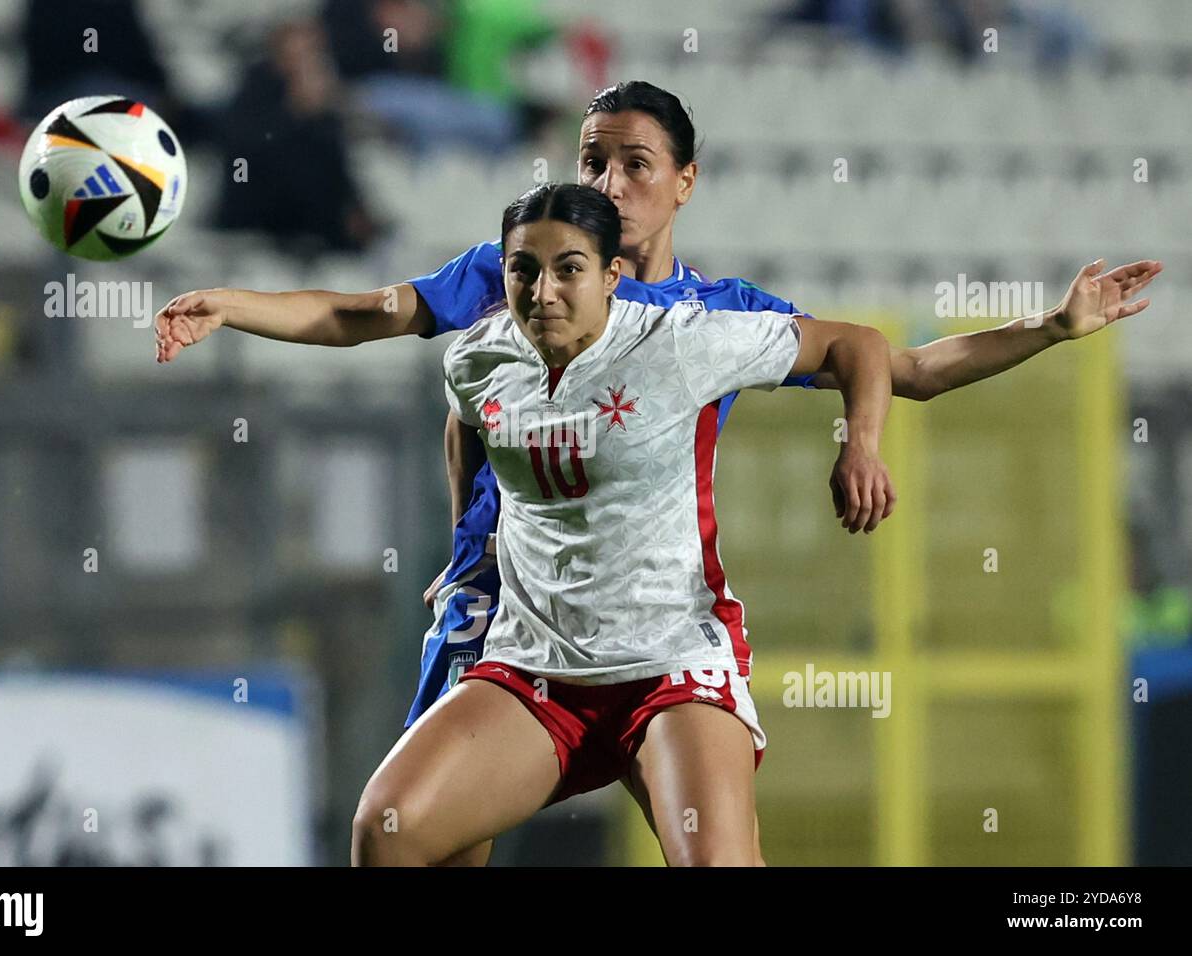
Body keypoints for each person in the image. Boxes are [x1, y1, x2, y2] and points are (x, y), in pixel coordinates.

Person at [154, 80, 1161, 864]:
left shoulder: (709, 322)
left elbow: (905, 367)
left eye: (636, 164)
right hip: (511, 628)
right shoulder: (517, 277)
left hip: (660, 635)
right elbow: (402, 347)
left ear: (686, 181)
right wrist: (471, 536)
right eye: (592, 159)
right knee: (403, 834)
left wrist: (1048, 328)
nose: (608, 182)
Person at [353, 182, 893, 865]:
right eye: (523, 270)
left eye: (569, 270)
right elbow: (465, 423)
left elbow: (858, 344)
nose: (543, 291)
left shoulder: (682, 341)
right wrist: (470, 542)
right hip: (536, 668)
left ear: (611, 275)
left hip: (669, 667)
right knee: (388, 828)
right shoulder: (479, 356)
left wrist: (862, 445)